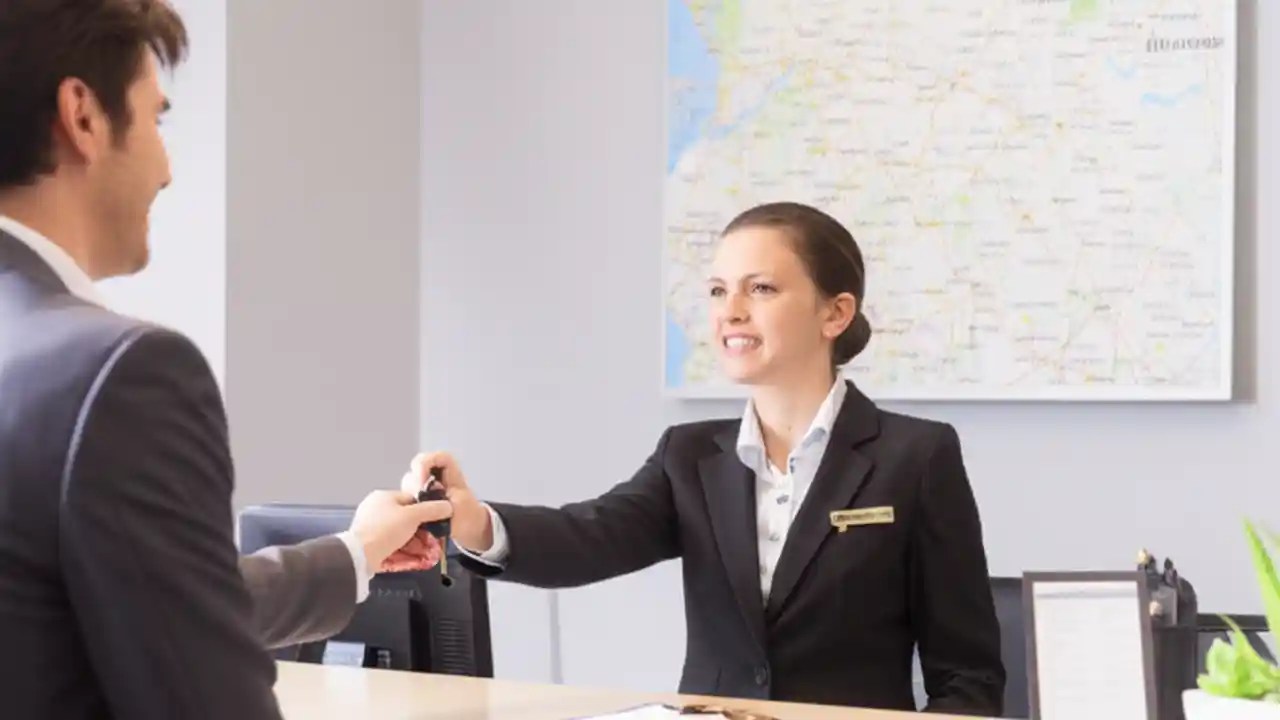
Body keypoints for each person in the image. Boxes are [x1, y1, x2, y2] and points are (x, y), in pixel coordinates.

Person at [0, 1, 452, 718]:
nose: (167, 168)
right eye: (157, 119)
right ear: (82, 116)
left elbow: (151, 604)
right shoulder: (119, 373)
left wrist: (358, 551)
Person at [409, 201, 1006, 715]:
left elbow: (969, 680)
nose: (731, 310)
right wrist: (472, 519)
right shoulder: (689, 455)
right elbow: (588, 536)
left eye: (761, 288)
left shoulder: (917, 455)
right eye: (719, 290)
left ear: (835, 313)